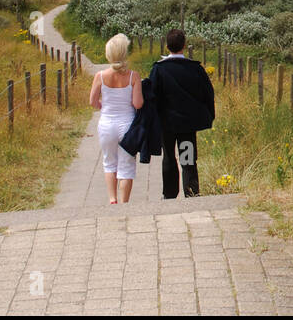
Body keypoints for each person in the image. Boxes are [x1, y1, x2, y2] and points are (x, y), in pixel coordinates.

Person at [148, 29, 214, 199]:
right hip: (188, 124)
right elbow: (208, 94)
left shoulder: (159, 69)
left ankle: (169, 194)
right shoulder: (195, 69)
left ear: (167, 46)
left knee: (169, 157)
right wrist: (208, 116)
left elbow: (152, 96)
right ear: (184, 46)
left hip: (167, 124)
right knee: (188, 159)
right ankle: (191, 192)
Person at [89, 33, 143, 205]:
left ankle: (112, 199)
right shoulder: (133, 76)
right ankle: (124, 202)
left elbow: (92, 101)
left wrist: (102, 106)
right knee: (127, 167)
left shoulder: (100, 76)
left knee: (109, 163)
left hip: (106, 124)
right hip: (127, 125)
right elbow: (138, 103)